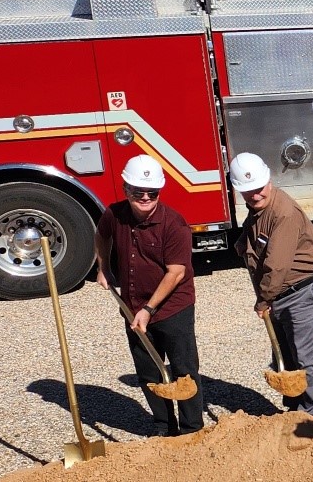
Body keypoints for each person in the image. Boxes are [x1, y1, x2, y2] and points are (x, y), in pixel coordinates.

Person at [95, 155, 203, 435]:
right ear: (126, 188)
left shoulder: (174, 224)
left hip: (172, 309)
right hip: (133, 306)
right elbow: (102, 235)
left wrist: (149, 309)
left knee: (184, 369)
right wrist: (103, 267)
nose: (145, 197)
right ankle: (164, 426)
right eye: (138, 191)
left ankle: (192, 429)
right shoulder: (114, 214)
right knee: (148, 371)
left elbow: (176, 273)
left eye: (152, 192)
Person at [229, 152, 313, 417]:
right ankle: (294, 410)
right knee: (286, 356)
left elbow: (276, 266)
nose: (255, 195)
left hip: (302, 292)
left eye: (259, 188)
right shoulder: (258, 209)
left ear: (269, 180)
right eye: (248, 191)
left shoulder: (283, 212)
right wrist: (242, 244)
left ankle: (309, 416)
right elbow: (255, 237)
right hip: (280, 294)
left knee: (307, 359)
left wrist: (263, 300)